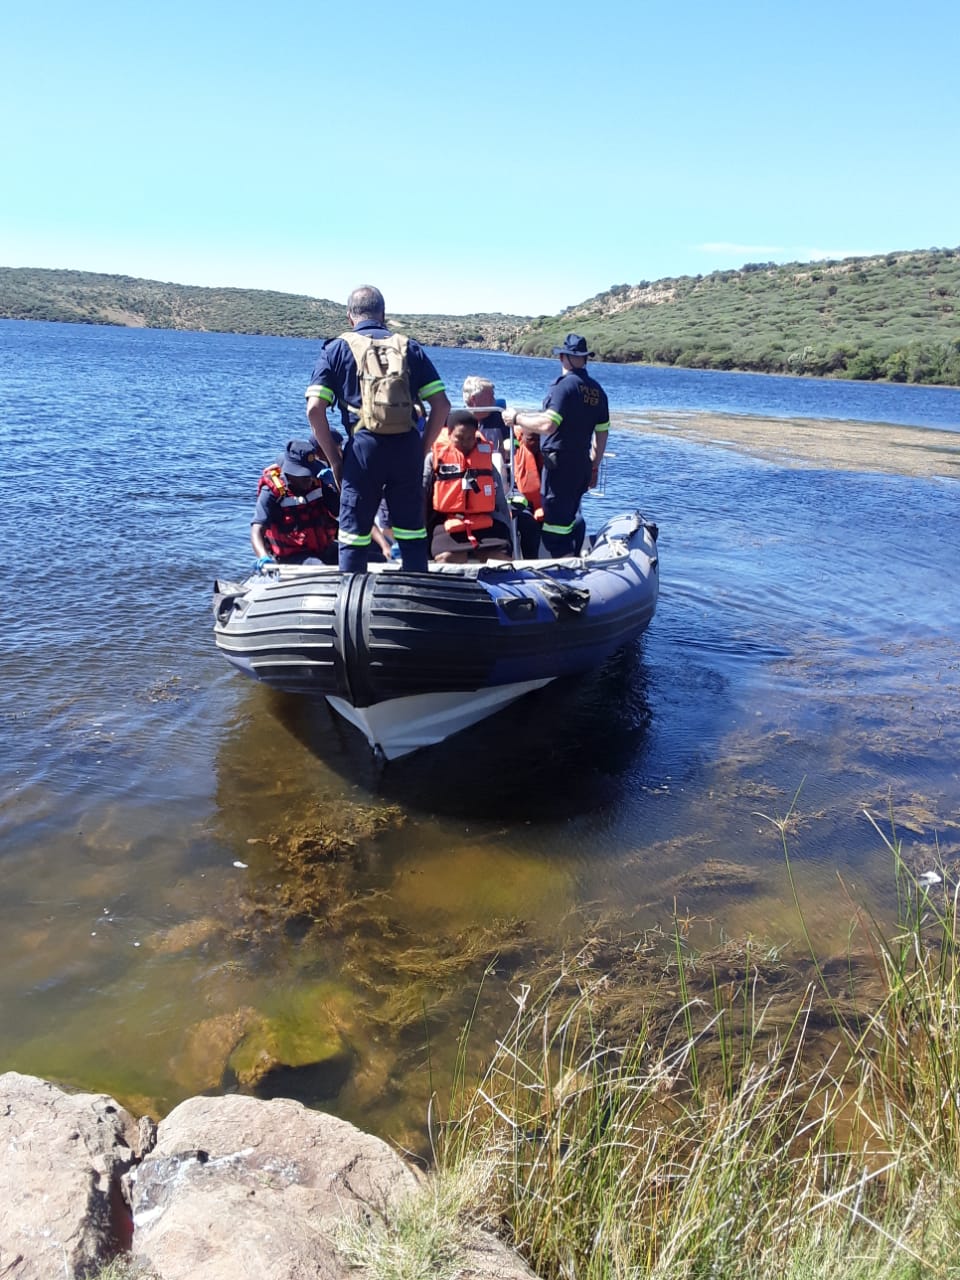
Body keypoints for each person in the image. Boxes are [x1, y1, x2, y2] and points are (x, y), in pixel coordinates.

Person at [305, 285, 450, 574]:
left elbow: (314, 409)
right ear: (383, 314)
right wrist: (420, 450)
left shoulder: (337, 349)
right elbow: (442, 406)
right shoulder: (410, 347)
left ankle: (350, 601)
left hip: (363, 451)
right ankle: (416, 599)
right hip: (407, 447)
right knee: (411, 535)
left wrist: (335, 460)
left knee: (353, 538)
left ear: (349, 317)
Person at [502, 333, 608, 557]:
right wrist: (594, 466)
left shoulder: (564, 387)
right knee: (569, 518)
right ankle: (572, 557)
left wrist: (517, 418)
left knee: (554, 525)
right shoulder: (598, 391)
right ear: (585, 358)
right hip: (581, 465)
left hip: (560, 466)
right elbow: (601, 434)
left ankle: (558, 570)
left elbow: (548, 424)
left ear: (563, 357)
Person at [423, 410, 512, 563]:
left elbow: (500, 502)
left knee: (500, 558)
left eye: (470, 438)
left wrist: (507, 528)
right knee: (449, 558)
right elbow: (421, 495)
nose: (465, 443)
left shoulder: (485, 461)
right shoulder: (433, 460)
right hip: (447, 523)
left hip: (484, 522)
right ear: (449, 434)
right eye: (460, 438)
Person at [251, 439, 340, 568]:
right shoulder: (272, 492)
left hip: (323, 548)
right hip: (292, 556)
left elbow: (338, 511)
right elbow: (257, 529)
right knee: (319, 567)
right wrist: (263, 557)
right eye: (304, 476)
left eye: (311, 474)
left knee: (367, 553)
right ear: (289, 473)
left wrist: (335, 486)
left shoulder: (318, 481)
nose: (309, 479)